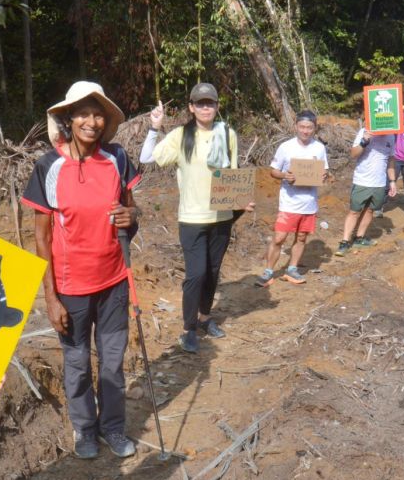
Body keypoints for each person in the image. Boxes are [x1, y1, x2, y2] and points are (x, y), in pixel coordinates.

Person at [24, 81, 139, 459]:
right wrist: (50, 296)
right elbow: (41, 239)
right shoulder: (48, 166)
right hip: (71, 287)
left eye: (98, 113)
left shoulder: (118, 158)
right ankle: (85, 430)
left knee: (112, 362)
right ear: (69, 118)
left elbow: (131, 213)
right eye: (83, 113)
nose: (91, 121)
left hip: (114, 282)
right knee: (76, 364)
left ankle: (113, 428)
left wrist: (130, 215)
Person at [141, 83, 250, 354]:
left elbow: (233, 174)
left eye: (209, 103)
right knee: (196, 275)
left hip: (222, 216)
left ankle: (204, 318)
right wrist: (154, 127)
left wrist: (241, 201)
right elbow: (146, 158)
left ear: (217, 106)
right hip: (192, 217)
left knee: (212, 273)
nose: (205, 108)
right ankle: (189, 329)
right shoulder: (181, 135)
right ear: (191, 107)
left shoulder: (228, 134)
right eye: (199, 103)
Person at [257, 110, 329, 285]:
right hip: (289, 202)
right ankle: (268, 271)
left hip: (309, 203)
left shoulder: (319, 148)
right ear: (296, 126)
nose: (305, 131)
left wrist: (323, 175)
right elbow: (273, 171)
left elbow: (324, 170)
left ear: (314, 128)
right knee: (280, 238)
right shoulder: (286, 147)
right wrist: (284, 176)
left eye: (309, 128)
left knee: (302, 237)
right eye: (302, 127)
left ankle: (292, 269)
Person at [336, 124, 397, 255]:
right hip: (362, 181)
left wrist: (392, 181)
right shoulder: (365, 132)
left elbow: (391, 159)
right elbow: (353, 154)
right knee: (354, 211)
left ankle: (360, 238)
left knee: (370, 210)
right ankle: (345, 242)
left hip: (379, 182)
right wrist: (364, 141)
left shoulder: (391, 136)